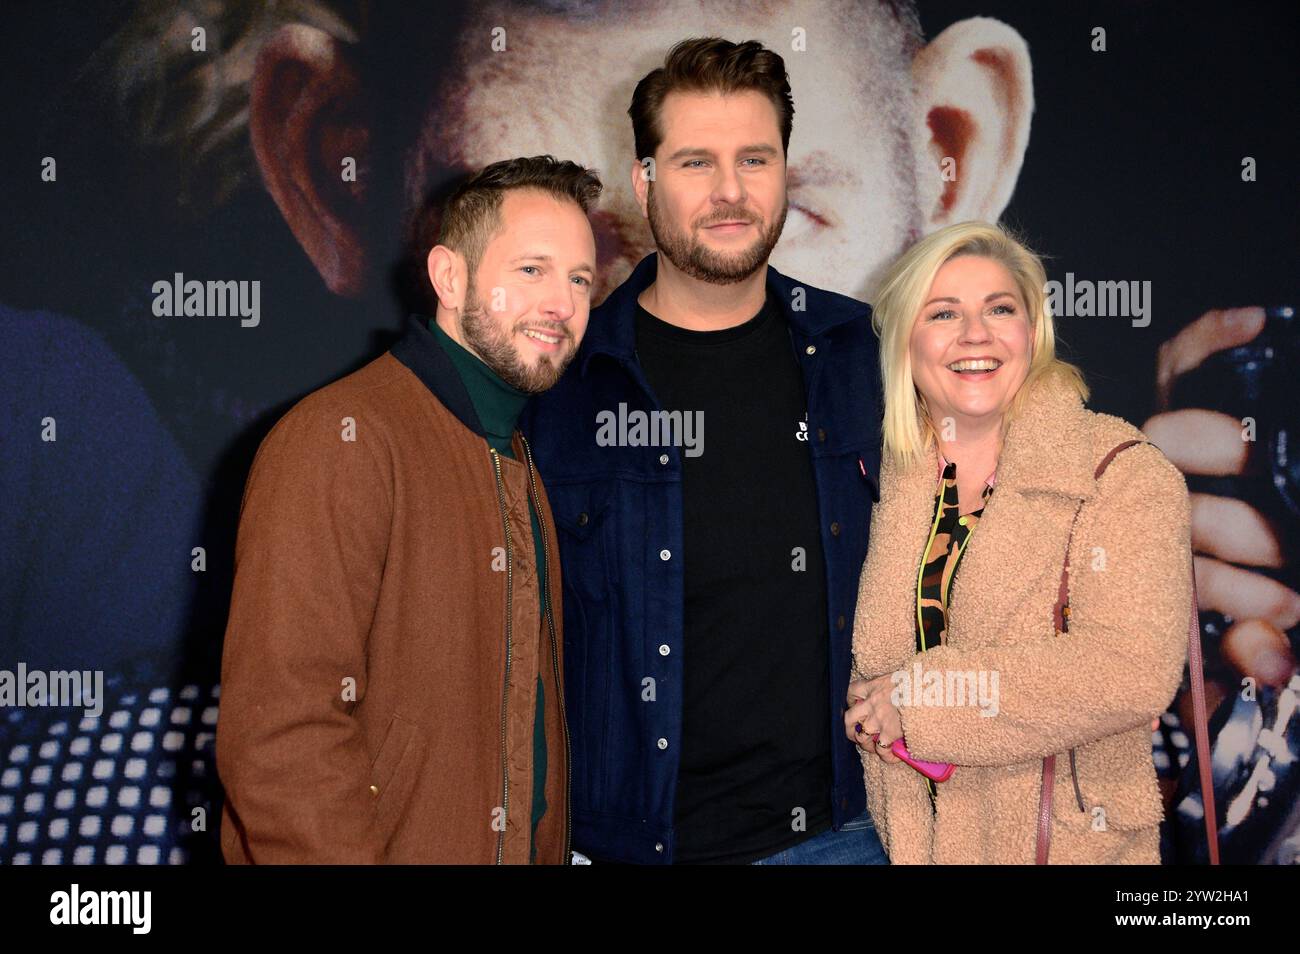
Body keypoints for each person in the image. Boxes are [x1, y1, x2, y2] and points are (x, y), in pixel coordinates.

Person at [523, 38, 884, 865]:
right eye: (695, 162)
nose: (729, 191)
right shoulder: (564, 381)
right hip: (625, 846)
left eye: (754, 158)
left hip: (849, 836)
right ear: (644, 181)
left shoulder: (863, 354)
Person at [216, 156, 601, 863]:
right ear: (449, 278)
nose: (562, 303)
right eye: (531, 270)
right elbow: (280, 740)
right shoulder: (341, 438)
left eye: (580, 279)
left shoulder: (515, 457)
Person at [845, 221, 1192, 864]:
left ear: (1032, 332)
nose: (975, 334)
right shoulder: (877, 476)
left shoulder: (1118, 471)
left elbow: (1133, 669)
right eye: (943, 312)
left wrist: (920, 699)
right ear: (904, 342)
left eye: (1000, 309)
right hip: (904, 847)